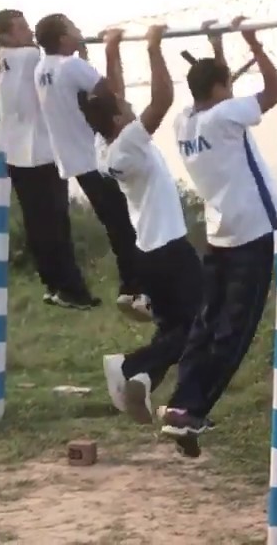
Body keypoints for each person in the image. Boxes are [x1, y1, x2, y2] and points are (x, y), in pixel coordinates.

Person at [157, 15, 277, 455]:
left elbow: (223, 97)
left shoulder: (185, 122)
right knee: (235, 329)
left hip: (220, 233)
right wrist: (256, 44)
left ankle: (180, 404)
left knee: (206, 323)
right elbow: (274, 92)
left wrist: (217, 46)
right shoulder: (227, 116)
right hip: (251, 231)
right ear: (219, 88)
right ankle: (192, 412)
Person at [81, 25, 203, 425]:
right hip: (170, 249)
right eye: (123, 106)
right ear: (119, 117)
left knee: (173, 328)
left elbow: (111, 97)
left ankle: (145, 378)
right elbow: (164, 98)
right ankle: (130, 365)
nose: (129, 106)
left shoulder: (104, 146)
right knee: (199, 324)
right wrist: (154, 48)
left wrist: (112, 51)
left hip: (147, 252)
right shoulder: (130, 141)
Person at [33, 13, 145, 315]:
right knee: (125, 223)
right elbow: (113, 93)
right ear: (62, 38)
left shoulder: (43, 68)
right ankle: (134, 288)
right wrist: (112, 50)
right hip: (95, 158)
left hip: (73, 159)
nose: (80, 31)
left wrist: (84, 57)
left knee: (116, 222)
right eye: (74, 29)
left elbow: (76, 93)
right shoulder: (72, 66)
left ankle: (133, 285)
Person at [0, 9, 85, 307]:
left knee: (38, 224)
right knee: (56, 223)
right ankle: (72, 289)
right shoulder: (27, 57)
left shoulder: (3, 58)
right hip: (39, 151)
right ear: (6, 34)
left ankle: (53, 284)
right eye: (21, 28)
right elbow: (53, 57)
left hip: (15, 151)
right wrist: (77, 46)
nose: (29, 32)